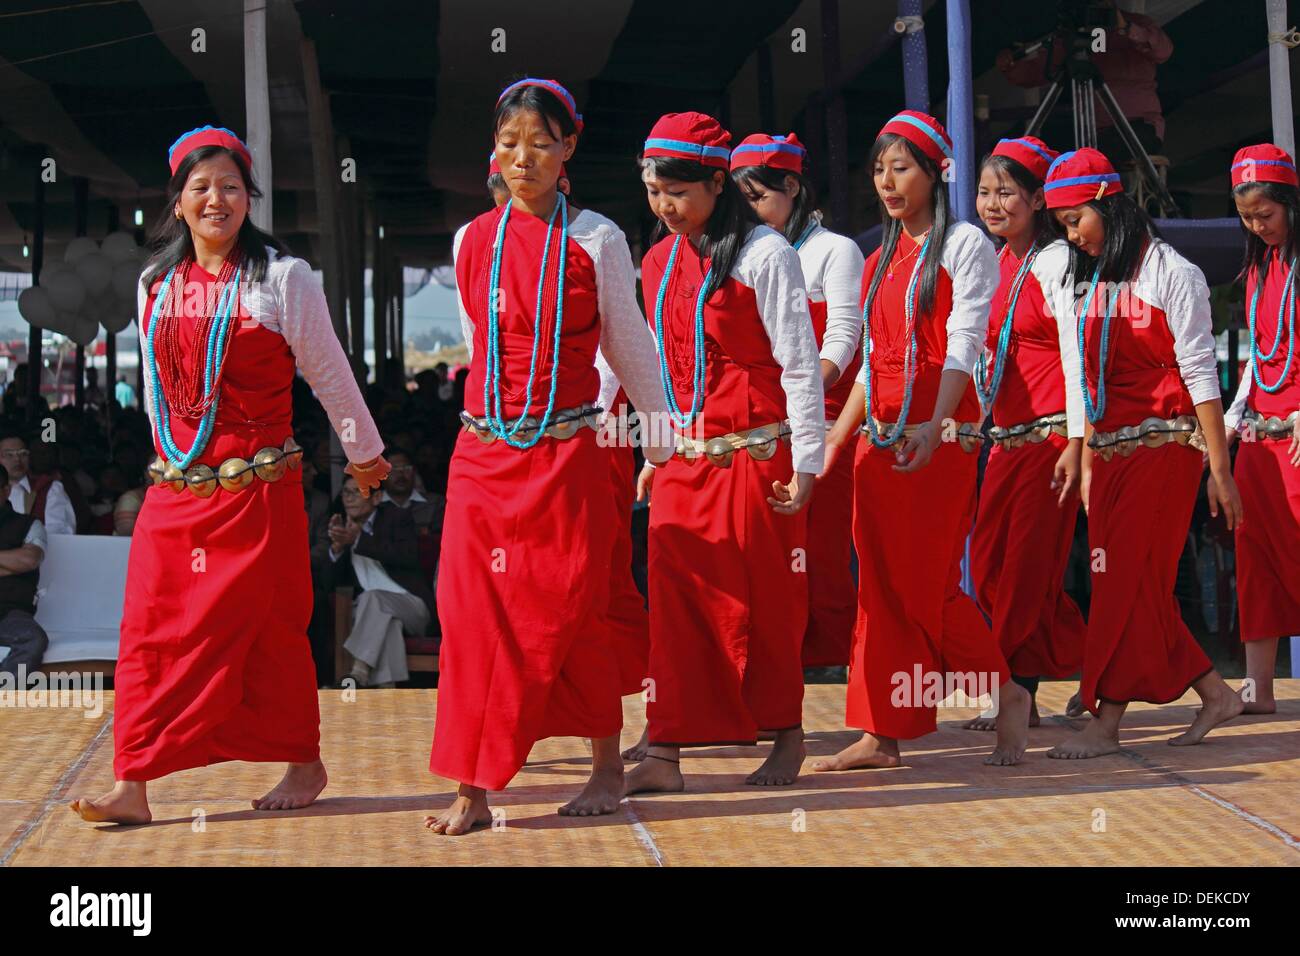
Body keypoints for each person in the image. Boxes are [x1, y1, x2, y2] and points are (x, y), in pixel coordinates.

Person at [69, 125, 389, 825]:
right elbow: (157, 389)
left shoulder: (280, 277)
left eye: (232, 187)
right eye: (202, 187)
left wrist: (365, 454)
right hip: (176, 493)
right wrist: (169, 463)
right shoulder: (156, 283)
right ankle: (135, 781)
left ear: (251, 197)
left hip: (258, 495)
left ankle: (303, 759)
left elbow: (329, 372)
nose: (218, 200)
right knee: (151, 632)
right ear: (178, 201)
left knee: (267, 630)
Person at [425, 79, 672, 835]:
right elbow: (479, 345)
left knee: (574, 611)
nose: (522, 157)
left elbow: (628, 344)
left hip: (567, 455)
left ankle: (604, 765)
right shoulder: (472, 239)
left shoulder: (596, 237)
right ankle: (472, 785)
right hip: (481, 454)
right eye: (508, 143)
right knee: (470, 616)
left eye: (539, 142)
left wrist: (660, 440)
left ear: (569, 147)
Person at [814, 111, 1033, 773]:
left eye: (900, 166)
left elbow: (965, 344)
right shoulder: (880, 259)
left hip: (938, 439)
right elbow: (873, 358)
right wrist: (831, 440)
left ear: (936, 172)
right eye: (879, 169)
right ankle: (883, 733)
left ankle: (1004, 695)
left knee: (924, 588)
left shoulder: (964, 245)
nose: (886, 180)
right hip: (880, 446)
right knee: (880, 590)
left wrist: (936, 426)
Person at [624, 111, 824, 796]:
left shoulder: (766, 254)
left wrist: (807, 464)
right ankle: (667, 752)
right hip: (684, 459)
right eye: (654, 192)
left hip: (755, 457)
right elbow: (658, 363)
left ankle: (788, 736)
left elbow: (799, 364)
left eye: (677, 191)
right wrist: (653, 452)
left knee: (765, 602)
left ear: (718, 182)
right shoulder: (657, 260)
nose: (664, 206)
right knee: (677, 607)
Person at [1043, 147, 1244, 758]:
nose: (1073, 237)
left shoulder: (1172, 273)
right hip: (1107, 456)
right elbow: (1078, 373)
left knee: (1124, 583)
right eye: (1063, 228)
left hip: (1164, 451)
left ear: (1111, 203)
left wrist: (1220, 468)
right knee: (1128, 586)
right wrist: (1080, 451)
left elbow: (1202, 376)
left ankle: (1106, 721)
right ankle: (1215, 693)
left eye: (1077, 220)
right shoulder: (1086, 279)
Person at [732, 132, 864, 671]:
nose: (751, 213)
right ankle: (770, 669)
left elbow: (844, 333)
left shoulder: (836, 250)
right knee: (763, 557)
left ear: (792, 186)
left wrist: (806, 387)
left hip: (825, 421)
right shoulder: (743, 251)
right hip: (761, 425)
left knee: (823, 556)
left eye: (759, 198)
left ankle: (832, 666)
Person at [966, 137, 1086, 731]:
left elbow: (1076, 351)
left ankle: (1013, 691)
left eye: (1006, 191)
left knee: (1023, 572)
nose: (992, 203)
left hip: (1050, 438)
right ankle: (1097, 660)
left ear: (1038, 199)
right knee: (987, 566)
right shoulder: (996, 263)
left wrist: (1077, 441)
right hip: (1005, 438)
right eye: (986, 192)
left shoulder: (1057, 260)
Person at [1221, 143, 1300, 715]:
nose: (1257, 225)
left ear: (1291, 205)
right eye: (1247, 216)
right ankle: (1258, 692)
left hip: (1296, 437)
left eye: (1265, 215)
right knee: (1255, 560)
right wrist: (1231, 415)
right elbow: (1260, 356)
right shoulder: (1256, 267)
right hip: (1258, 435)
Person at [997, 0, 1172, 158]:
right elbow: (1038, 71)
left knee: (1091, 159)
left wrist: (1125, 28)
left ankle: (1104, 189)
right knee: (1053, 156)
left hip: (1139, 127)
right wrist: (1009, 66)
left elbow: (1164, 51)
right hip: (1093, 133)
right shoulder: (1075, 34)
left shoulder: (1138, 23)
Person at [329, 473, 435, 688]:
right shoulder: (342, 527)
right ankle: (387, 690)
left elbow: (405, 556)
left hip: (411, 606)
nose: (349, 498)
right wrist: (337, 550)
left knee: (374, 598)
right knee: (387, 623)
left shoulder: (397, 519)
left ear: (376, 498)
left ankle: (359, 670)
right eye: (346, 493)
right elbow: (329, 584)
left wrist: (359, 540)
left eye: (356, 492)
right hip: (372, 612)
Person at [0, 463, 50, 678]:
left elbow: (30, 559)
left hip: (8, 612)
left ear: (6, 490)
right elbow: (19, 560)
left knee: (33, 639)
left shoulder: (29, 523)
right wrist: (10, 561)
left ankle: (4, 701)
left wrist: (18, 561)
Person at [0, 431, 77, 535]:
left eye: (23, 453)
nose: (17, 459)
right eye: (9, 455)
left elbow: (61, 531)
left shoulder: (48, 488)